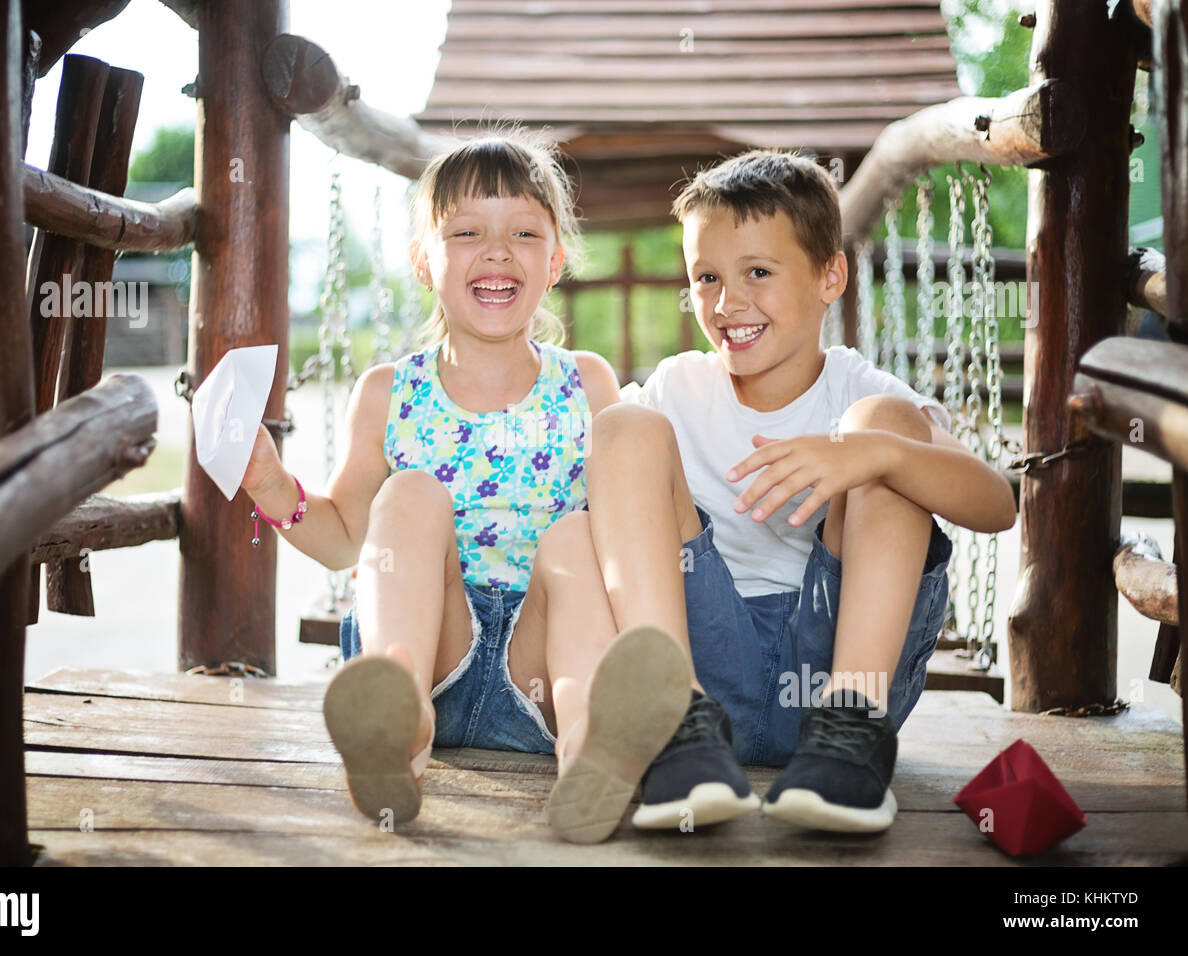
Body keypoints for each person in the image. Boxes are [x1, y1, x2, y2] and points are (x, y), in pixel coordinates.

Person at [240, 131, 757, 843]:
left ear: (555, 262)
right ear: (425, 261)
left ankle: (589, 751)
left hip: (546, 667)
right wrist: (273, 484)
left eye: (523, 231)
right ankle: (400, 726)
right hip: (434, 654)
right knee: (408, 498)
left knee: (578, 535)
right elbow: (346, 541)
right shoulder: (390, 391)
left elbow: (626, 527)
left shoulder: (585, 381)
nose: (497, 251)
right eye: (466, 233)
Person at [591, 148, 1018, 833]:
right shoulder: (679, 388)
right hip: (708, 674)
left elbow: (998, 505)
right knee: (622, 427)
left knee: (887, 433)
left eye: (757, 272)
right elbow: (605, 487)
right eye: (706, 277)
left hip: (840, 666)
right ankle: (670, 715)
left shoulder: (861, 390)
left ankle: (852, 729)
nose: (728, 303)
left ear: (830, 275)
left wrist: (871, 455)